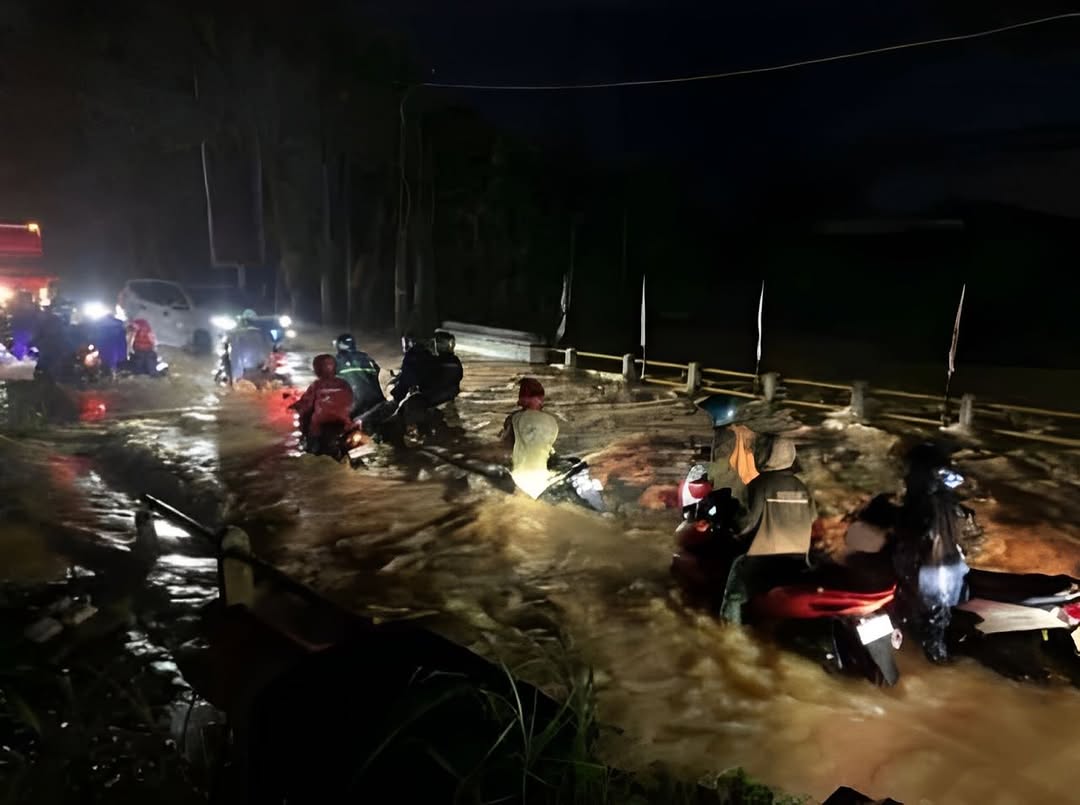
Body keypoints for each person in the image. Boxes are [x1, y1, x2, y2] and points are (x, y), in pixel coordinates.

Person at [719, 434, 818, 624]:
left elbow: (747, 522)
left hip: (764, 558)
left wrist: (734, 525)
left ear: (766, 456)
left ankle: (730, 634)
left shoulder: (760, 484)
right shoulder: (802, 487)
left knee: (734, 593)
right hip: (798, 557)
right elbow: (812, 518)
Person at [891, 443, 973, 664]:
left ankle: (931, 663)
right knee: (937, 625)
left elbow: (908, 538)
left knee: (922, 623)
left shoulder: (919, 503)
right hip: (952, 571)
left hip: (929, 572)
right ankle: (937, 661)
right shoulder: (949, 500)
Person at [289, 354, 354, 455]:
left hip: (320, 426)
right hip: (345, 424)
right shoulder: (344, 383)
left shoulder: (317, 385)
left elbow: (307, 405)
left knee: (311, 450)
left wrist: (295, 406)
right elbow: (352, 401)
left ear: (317, 369)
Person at [500, 378, 559, 482]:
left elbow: (504, 447)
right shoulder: (550, 422)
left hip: (519, 475)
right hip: (543, 475)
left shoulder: (513, 419)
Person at [333, 333, 384, 415]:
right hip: (376, 402)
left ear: (339, 345)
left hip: (353, 407)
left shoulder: (335, 361)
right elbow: (379, 375)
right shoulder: (366, 357)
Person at [225, 309, 273, 382]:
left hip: (246, 370)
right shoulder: (264, 332)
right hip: (259, 368)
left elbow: (233, 353)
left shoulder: (236, 333)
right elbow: (270, 348)